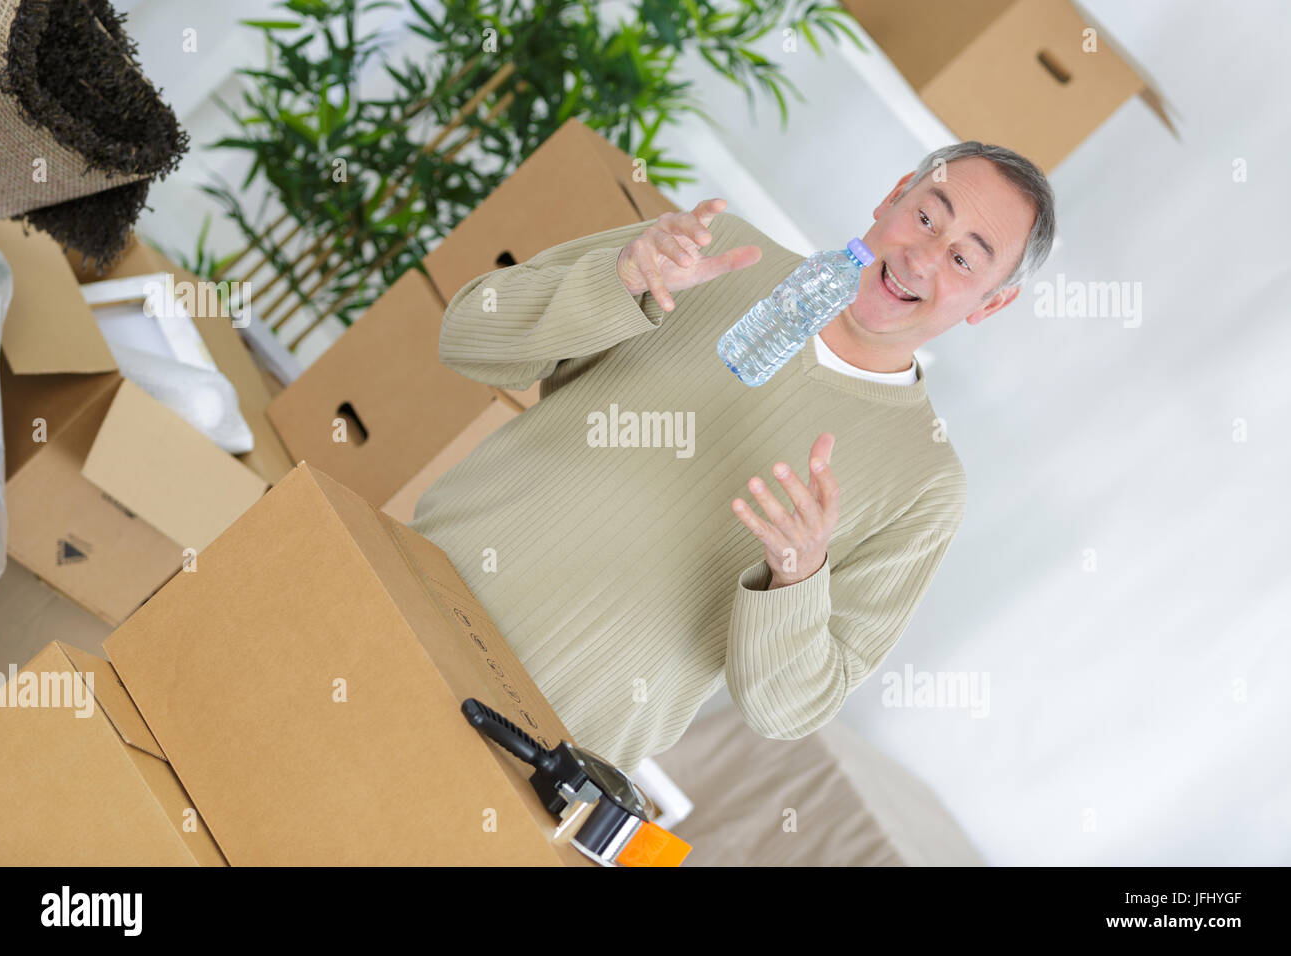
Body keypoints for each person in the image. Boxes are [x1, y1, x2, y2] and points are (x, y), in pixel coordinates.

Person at [409, 140, 1056, 774]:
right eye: (924, 217)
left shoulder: (927, 482)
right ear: (891, 199)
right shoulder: (719, 253)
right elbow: (467, 338)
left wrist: (796, 579)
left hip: (535, 753)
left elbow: (789, 710)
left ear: (992, 304)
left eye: (964, 260)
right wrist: (618, 282)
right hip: (405, 591)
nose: (921, 258)